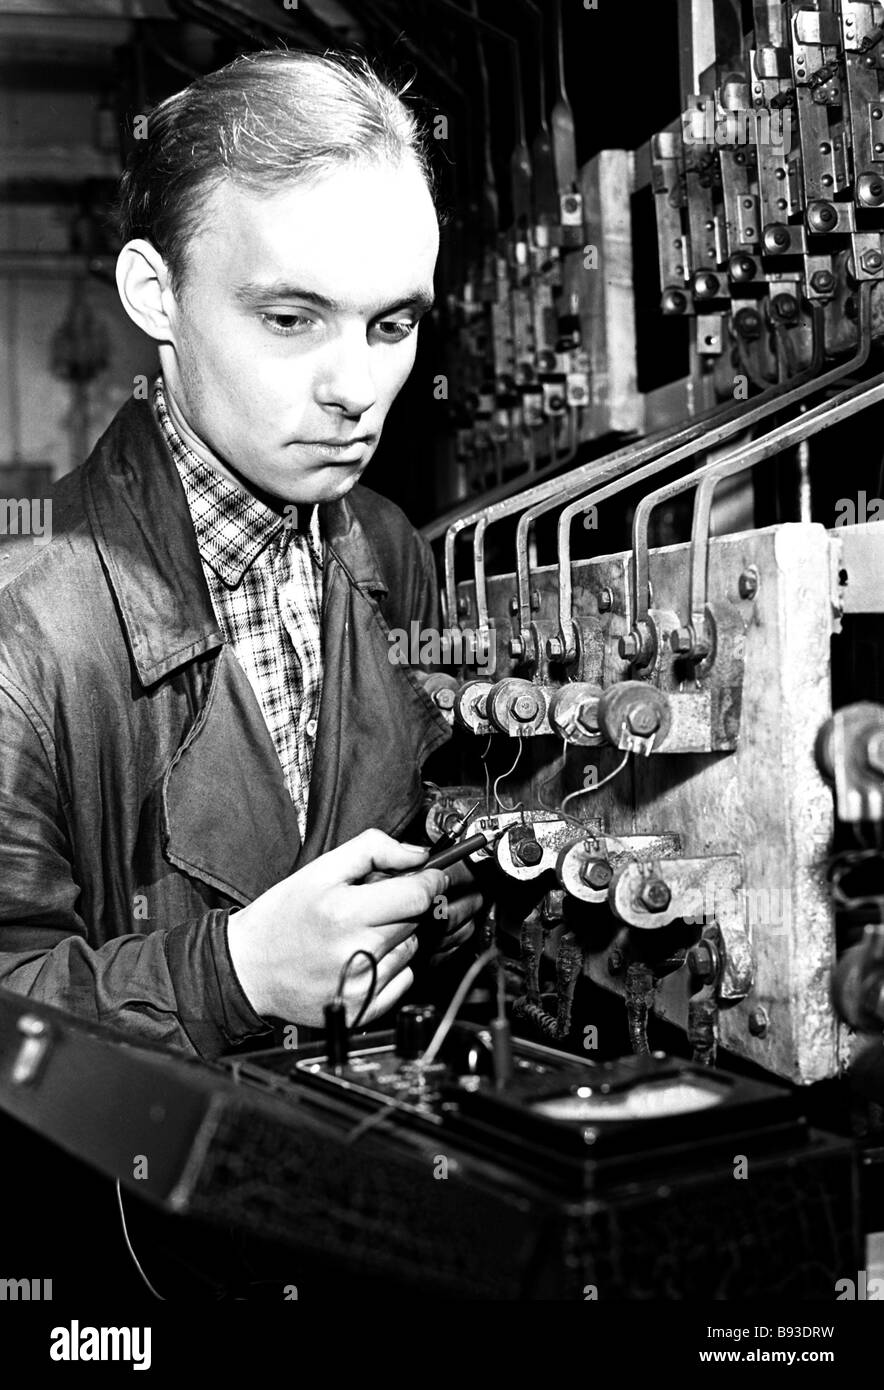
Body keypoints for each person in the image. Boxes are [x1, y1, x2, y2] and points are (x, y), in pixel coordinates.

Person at [0, 49, 483, 1058]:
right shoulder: (24, 626)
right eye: (289, 318)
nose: (355, 388)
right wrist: (234, 974)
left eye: (391, 324)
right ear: (154, 293)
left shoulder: (392, 550)